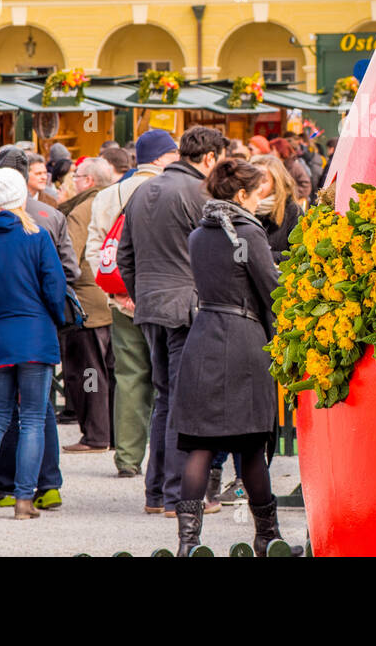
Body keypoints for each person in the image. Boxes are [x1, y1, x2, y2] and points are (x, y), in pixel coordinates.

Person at [172, 159, 290, 556]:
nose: (262, 200)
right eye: (258, 192)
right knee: (251, 445)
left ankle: (188, 544)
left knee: (200, 445)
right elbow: (272, 289)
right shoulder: (247, 232)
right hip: (242, 341)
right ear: (241, 195)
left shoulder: (198, 234)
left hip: (203, 336)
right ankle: (267, 538)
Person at [117, 125, 227, 515]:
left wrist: (141, 293)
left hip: (150, 306)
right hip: (186, 307)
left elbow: (123, 257)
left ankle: (157, 494)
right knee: (183, 401)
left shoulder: (142, 189)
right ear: (209, 158)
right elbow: (217, 252)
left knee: (164, 399)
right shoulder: (200, 193)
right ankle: (178, 495)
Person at [0, 168, 67, 521]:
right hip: (35, 334)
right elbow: (55, 288)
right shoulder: (36, 236)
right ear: (20, 199)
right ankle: (23, 500)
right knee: (33, 418)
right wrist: (54, 318)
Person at [85, 128, 178, 478]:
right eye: (172, 153)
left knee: (129, 376)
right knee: (166, 377)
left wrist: (117, 293)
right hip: (164, 299)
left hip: (121, 302)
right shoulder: (174, 189)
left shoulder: (108, 195)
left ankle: (127, 457)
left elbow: (95, 250)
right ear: (159, 157)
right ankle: (165, 457)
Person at [57, 157, 115, 452]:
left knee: (87, 373)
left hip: (87, 305)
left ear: (89, 181)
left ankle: (96, 436)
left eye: (77, 176)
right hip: (115, 300)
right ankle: (113, 434)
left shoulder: (82, 210)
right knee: (112, 372)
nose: (72, 182)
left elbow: (69, 260)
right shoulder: (116, 200)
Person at [271, 137, 312, 205]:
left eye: (273, 150)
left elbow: (306, 186)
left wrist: (288, 193)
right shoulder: (277, 165)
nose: (270, 153)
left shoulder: (295, 166)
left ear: (280, 151)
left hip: (291, 204)